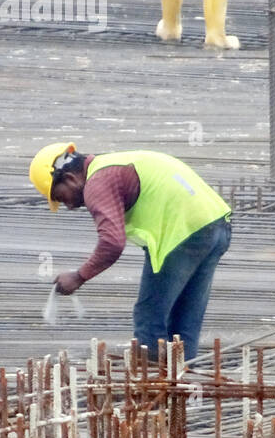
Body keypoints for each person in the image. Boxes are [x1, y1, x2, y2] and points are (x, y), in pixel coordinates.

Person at [29, 142, 232, 361]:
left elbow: (112, 242)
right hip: (217, 225)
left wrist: (79, 276)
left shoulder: (97, 183)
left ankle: (154, 385)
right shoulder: (112, 164)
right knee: (184, 320)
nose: (68, 206)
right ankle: (185, 384)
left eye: (61, 197)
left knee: (150, 317)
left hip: (181, 233)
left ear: (70, 178)